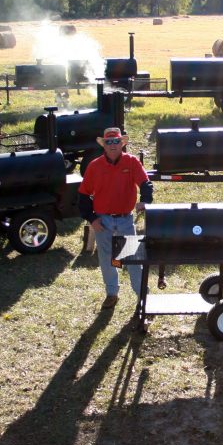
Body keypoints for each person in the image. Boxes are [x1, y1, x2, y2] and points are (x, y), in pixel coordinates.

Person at [78, 126, 153, 309]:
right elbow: (83, 195)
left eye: (116, 141)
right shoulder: (94, 166)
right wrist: (92, 219)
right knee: (107, 259)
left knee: (133, 260)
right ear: (104, 145)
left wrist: (145, 201)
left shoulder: (132, 162)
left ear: (122, 143)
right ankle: (112, 294)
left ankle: (142, 296)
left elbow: (145, 183)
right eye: (109, 142)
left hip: (126, 220)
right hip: (103, 221)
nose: (113, 145)